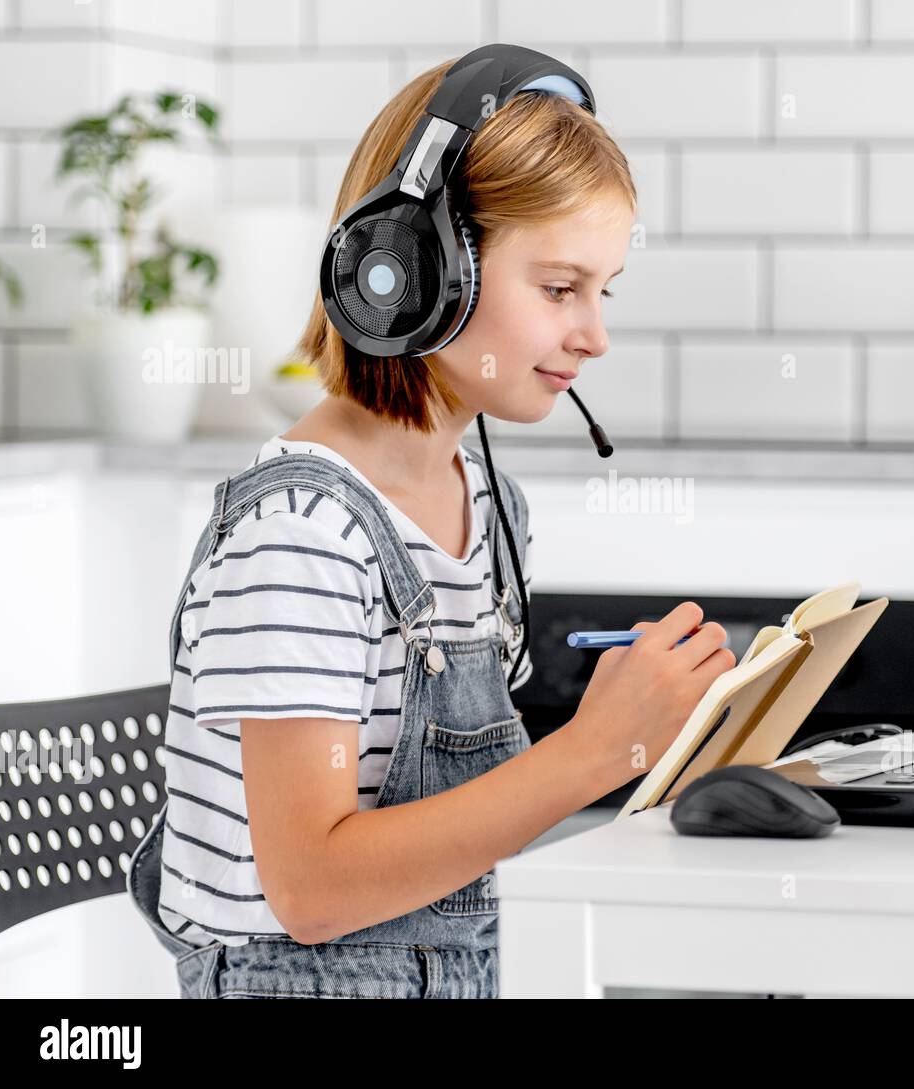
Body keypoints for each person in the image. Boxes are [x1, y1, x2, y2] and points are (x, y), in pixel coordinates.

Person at [126, 53, 736, 999]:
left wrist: (648, 743)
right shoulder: (303, 532)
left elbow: (467, 828)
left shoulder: (487, 503)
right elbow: (314, 889)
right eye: (559, 287)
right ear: (412, 269)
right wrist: (590, 751)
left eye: (602, 290)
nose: (595, 335)